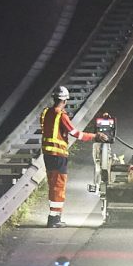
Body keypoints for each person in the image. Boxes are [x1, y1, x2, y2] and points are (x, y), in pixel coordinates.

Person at [39, 86, 91, 227]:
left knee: (52, 185)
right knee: (59, 186)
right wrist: (95, 136)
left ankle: (53, 216)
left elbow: (46, 130)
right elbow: (76, 133)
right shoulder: (61, 115)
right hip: (58, 155)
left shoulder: (45, 113)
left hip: (47, 155)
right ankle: (54, 219)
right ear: (64, 100)